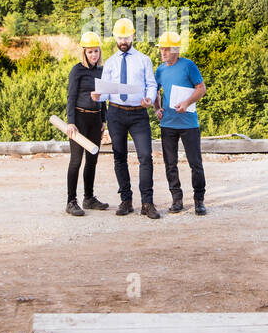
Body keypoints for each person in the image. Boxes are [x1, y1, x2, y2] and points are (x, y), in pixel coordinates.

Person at [92, 17, 160, 219]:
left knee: (145, 156)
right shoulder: (111, 62)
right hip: (116, 113)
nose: (124, 41)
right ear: (115, 37)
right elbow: (105, 91)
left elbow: (152, 84)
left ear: (133, 37)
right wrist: (98, 96)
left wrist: (149, 98)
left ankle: (147, 203)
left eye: (127, 37)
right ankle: (126, 200)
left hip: (139, 114)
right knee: (119, 156)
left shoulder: (144, 60)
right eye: (120, 37)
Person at [154, 31, 207, 215]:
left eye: (167, 49)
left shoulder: (188, 66)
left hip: (189, 124)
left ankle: (199, 200)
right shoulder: (160, 70)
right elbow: (156, 91)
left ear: (176, 49)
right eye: (162, 49)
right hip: (168, 124)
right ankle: (177, 200)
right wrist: (156, 108)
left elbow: (201, 89)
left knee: (195, 163)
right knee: (170, 164)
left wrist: (187, 102)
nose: (163, 53)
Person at [63, 30, 109, 217]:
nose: (93, 55)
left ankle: (88, 198)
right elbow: (71, 96)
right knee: (76, 160)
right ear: (84, 52)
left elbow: (103, 96)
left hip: (95, 119)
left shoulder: (102, 70)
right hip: (79, 120)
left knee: (93, 160)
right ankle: (71, 201)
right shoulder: (77, 70)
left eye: (96, 51)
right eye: (90, 52)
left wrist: (104, 119)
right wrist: (70, 122)